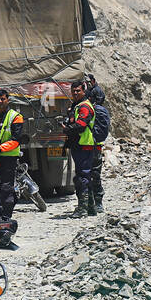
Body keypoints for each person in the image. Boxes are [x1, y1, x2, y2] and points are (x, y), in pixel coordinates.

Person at [0, 88, 27, 219]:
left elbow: (16, 140)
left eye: (3, 99)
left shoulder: (15, 117)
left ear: (8, 100)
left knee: (6, 187)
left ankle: (6, 215)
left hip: (8, 157)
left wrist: (1, 149)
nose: (0, 101)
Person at [65, 80, 100, 216]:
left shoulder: (84, 106)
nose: (75, 93)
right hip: (80, 144)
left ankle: (82, 209)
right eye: (73, 91)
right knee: (84, 176)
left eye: (78, 90)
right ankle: (91, 208)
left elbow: (81, 124)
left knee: (82, 177)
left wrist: (68, 129)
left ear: (84, 91)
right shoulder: (78, 105)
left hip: (84, 144)